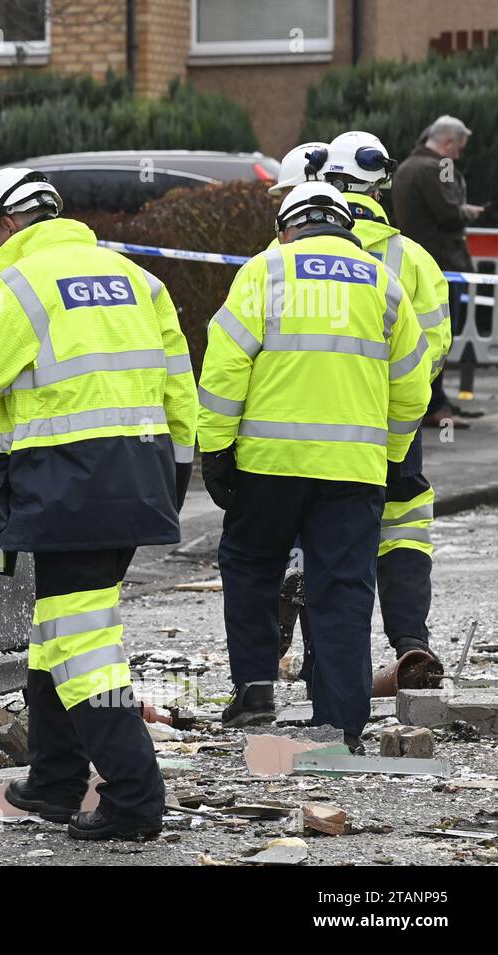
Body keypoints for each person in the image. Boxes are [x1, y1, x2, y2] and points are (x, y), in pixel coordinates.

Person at [0, 166, 197, 840]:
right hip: (137, 475)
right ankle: (55, 780)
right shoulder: (138, 280)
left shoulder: (18, 285)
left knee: (84, 645)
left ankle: (136, 798)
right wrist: (179, 469)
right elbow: (179, 384)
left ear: (5, 225)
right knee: (58, 629)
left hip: (67, 483)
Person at [198, 182, 430, 752]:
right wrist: (392, 454)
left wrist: (217, 450)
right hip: (353, 470)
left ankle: (254, 691)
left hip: (268, 466)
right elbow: (412, 385)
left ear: (286, 228)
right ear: (345, 225)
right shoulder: (384, 283)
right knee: (343, 588)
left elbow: (226, 365)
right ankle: (341, 722)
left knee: (252, 570)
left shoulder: (265, 271)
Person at [313, 132, 449, 664]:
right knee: (404, 521)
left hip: (300, 425)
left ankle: (317, 662)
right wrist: (396, 399)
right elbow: (432, 348)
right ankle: (410, 642)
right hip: (391, 425)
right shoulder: (411, 259)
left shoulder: (290, 250)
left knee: (319, 534)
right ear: (380, 184)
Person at [393, 115, 485, 425]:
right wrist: (467, 211)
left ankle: (435, 401)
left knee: (419, 338)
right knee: (438, 339)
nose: (459, 155)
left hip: (418, 264)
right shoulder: (436, 168)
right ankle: (434, 407)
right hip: (443, 266)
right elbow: (447, 213)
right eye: (459, 148)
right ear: (447, 143)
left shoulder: (406, 167)